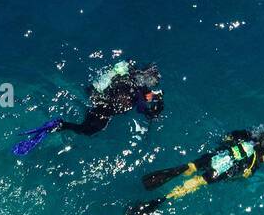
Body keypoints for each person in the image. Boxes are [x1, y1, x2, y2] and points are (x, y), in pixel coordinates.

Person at [12, 61, 163, 155]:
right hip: (106, 110)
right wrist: (153, 111)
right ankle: (60, 125)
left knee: (89, 121)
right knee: (89, 130)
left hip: (98, 98)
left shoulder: (129, 73)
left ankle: (58, 125)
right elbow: (143, 109)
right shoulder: (138, 93)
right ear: (148, 81)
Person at [126, 129, 264, 215]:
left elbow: (226, 137)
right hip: (220, 171)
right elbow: (246, 174)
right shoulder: (260, 157)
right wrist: (234, 178)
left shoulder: (246, 134)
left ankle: (175, 173)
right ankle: (151, 205)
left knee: (190, 167)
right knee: (193, 184)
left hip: (214, 158)